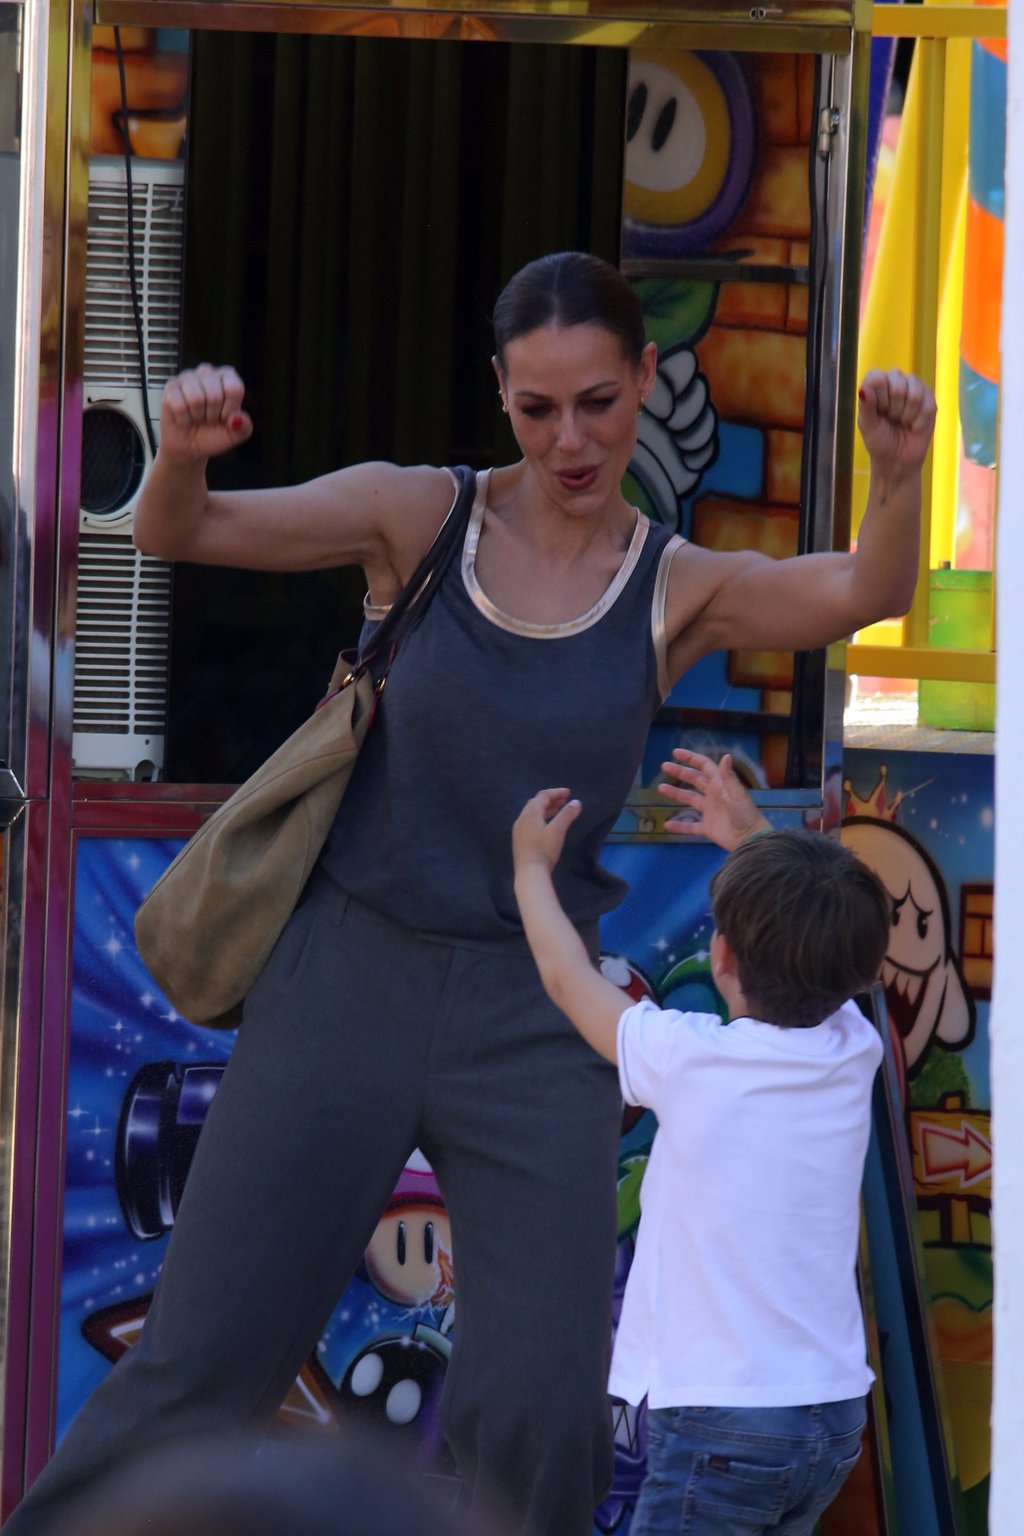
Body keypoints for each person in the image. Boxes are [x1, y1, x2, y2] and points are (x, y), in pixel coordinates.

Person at [4, 252, 933, 1536]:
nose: (570, 439)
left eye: (599, 404)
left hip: (532, 1008)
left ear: (645, 380)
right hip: (348, 974)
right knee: (200, 1365)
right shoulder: (415, 515)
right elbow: (183, 531)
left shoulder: (672, 583)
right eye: (538, 406)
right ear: (498, 392)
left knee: (541, 1407)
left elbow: (864, 593)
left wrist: (895, 480)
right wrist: (180, 450)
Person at [511, 749, 890, 1536]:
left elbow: (564, 980)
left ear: (719, 959)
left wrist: (528, 870)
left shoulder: (694, 1061)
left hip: (726, 1427)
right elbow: (827, 952)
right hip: (830, 1417)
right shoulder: (855, 1046)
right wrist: (750, 833)